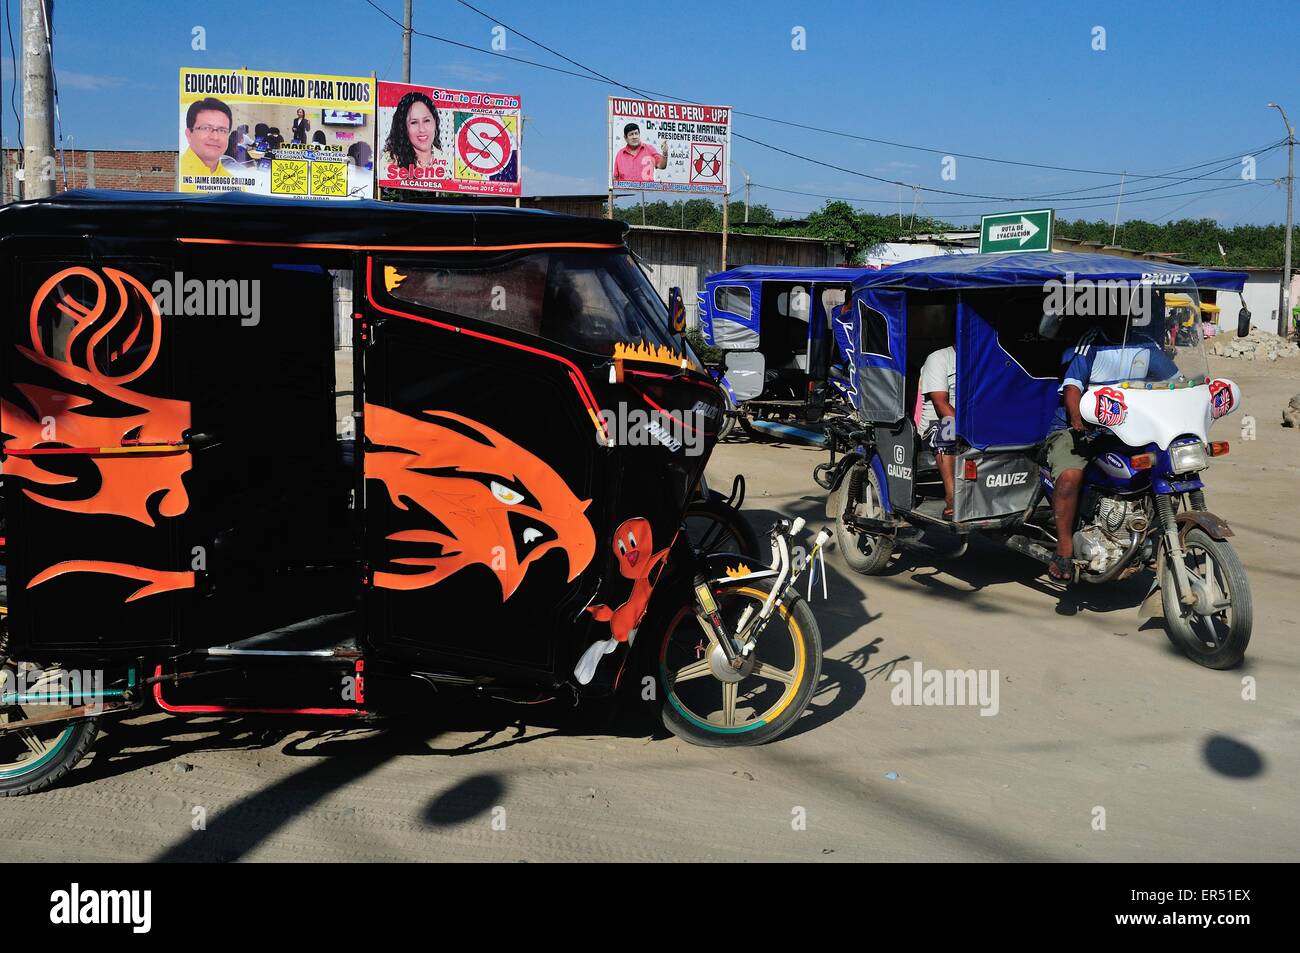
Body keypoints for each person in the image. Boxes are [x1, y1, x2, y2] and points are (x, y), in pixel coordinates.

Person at [1044, 321, 1179, 580]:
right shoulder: (1091, 343)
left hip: (1127, 429)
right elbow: (1072, 388)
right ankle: (1063, 548)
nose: (1124, 318)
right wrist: (1077, 418)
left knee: (1163, 468)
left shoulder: (1144, 345)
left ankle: (1149, 536)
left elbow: (1177, 381)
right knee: (1070, 476)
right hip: (1078, 429)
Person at [917, 344, 958, 518]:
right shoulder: (939, 358)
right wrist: (966, 428)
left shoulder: (980, 357)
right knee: (947, 426)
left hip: (969, 421)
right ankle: (952, 496)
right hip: (936, 427)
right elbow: (940, 404)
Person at [383, 91, 441, 170]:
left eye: (426, 120)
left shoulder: (449, 162)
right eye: (414, 122)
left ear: (435, 121)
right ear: (404, 127)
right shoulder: (389, 161)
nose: (422, 129)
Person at [181, 97, 233, 178]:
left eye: (222, 130)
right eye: (206, 128)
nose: (215, 137)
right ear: (189, 134)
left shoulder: (234, 184)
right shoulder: (175, 176)